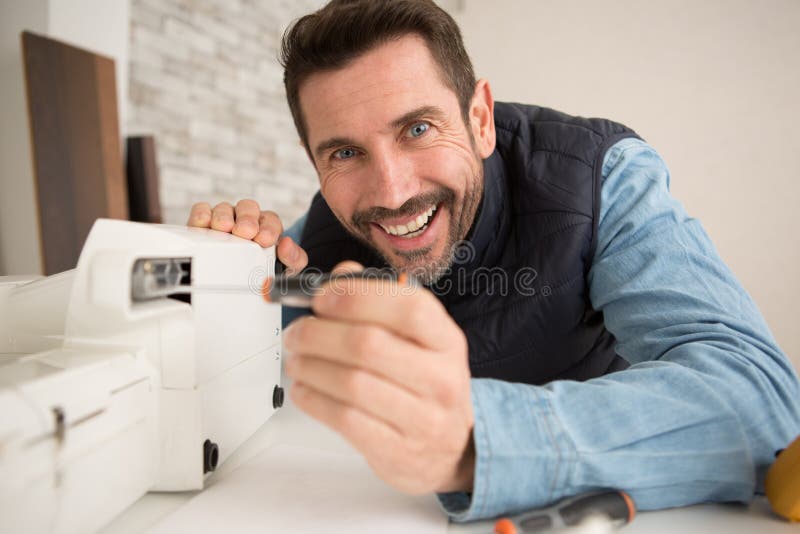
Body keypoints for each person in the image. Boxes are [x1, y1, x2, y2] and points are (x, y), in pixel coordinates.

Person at [187, 0, 800, 522]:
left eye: (418, 129)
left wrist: (475, 442)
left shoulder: (604, 177)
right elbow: (229, 359)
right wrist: (222, 275)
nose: (392, 193)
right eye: (345, 151)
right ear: (313, 157)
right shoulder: (324, 228)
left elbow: (762, 403)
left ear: (479, 119)